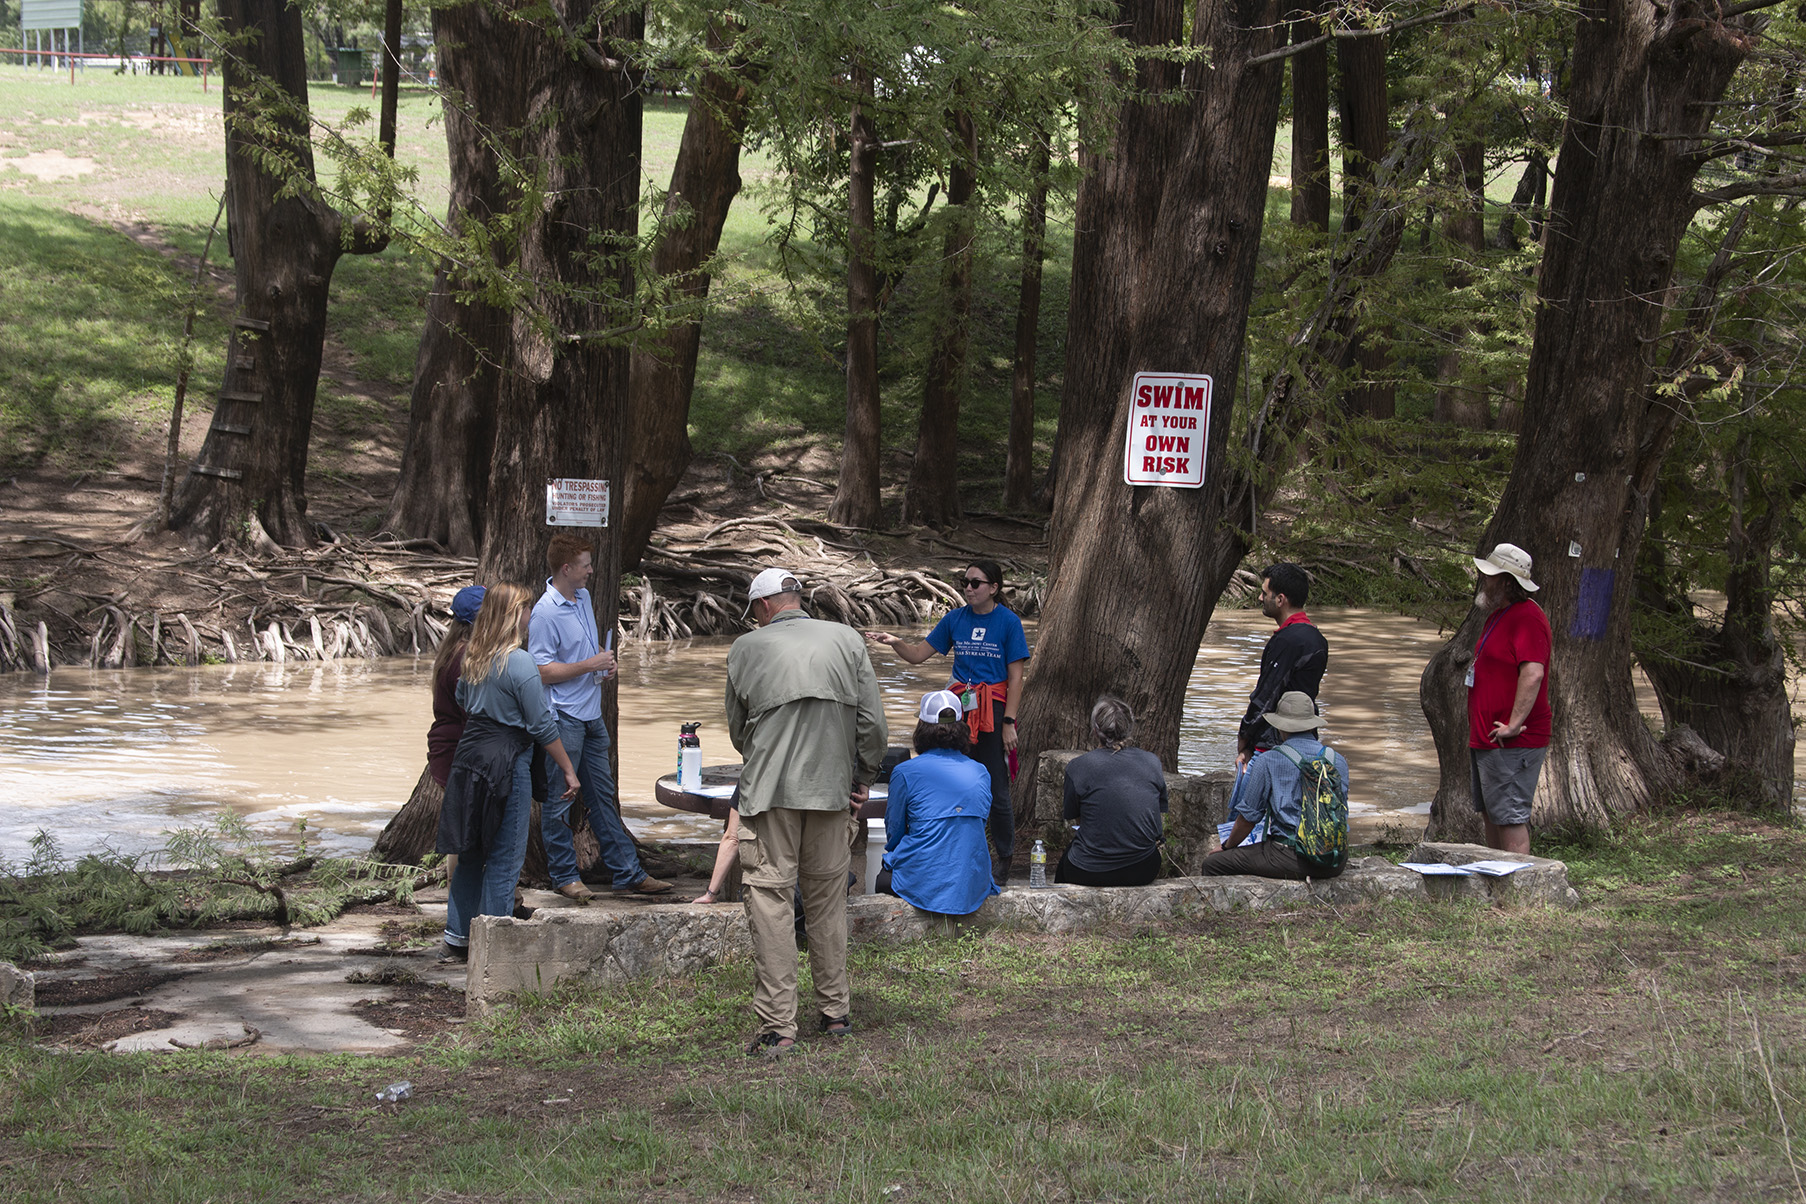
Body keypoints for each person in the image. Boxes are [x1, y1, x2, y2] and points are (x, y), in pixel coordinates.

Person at [727, 568, 887, 1056]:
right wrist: (861, 778)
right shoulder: (847, 640)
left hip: (770, 794)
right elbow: (872, 724)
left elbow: (738, 733)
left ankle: (780, 1026)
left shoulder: (744, 649)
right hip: (832, 793)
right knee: (826, 901)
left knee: (772, 902)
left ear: (764, 606)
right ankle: (835, 1014)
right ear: (795, 599)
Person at [436, 584, 582, 962]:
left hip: (469, 758)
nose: (529, 618)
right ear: (512, 616)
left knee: (470, 848)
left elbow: (465, 702)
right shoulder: (519, 662)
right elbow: (541, 725)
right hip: (507, 759)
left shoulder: (472, 659)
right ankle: (494, 940)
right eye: (525, 610)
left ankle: (457, 936)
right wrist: (568, 769)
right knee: (505, 853)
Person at [863, 560, 1028, 881]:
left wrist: (1009, 721)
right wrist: (895, 642)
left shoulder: (1008, 623)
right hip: (958, 711)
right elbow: (917, 655)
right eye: (964, 581)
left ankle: (1005, 858)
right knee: (951, 779)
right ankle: (954, 849)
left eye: (976, 583)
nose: (968, 587)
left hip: (993, 712)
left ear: (994, 588)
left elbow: (1016, 679)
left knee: (996, 786)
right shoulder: (954, 619)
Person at [528, 533, 668, 900]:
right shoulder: (544, 612)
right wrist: (588, 664)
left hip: (591, 717)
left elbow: (585, 656)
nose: (592, 570)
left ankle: (628, 873)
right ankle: (563, 876)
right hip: (563, 718)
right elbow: (540, 670)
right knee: (560, 801)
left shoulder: (584, 597)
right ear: (566, 569)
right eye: (586, 565)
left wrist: (602, 667)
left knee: (603, 798)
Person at [1200, 691, 1350, 880]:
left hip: (1292, 856)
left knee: (1213, 864)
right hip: (1336, 861)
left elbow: (1248, 818)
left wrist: (1226, 847)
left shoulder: (1270, 760)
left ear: (1280, 726)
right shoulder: (1337, 760)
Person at [876, 691, 1000, 915]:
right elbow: (977, 828)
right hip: (972, 883)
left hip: (922, 882)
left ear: (921, 728)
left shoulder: (904, 772)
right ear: (962, 729)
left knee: (883, 878)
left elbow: (894, 833)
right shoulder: (981, 772)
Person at [1467, 542, 1550, 855]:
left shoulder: (1527, 618)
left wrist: (1514, 724)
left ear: (1505, 582)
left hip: (1511, 741)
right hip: (1488, 738)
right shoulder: (1499, 615)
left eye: (1489, 577)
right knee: (1492, 812)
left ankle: (1518, 893)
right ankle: (1498, 883)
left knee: (1510, 817)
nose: (1483, 580)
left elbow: (1533, 674)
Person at [1055, 696, 1168, 887]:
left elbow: (1077, 819)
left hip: (1089, 870)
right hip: (1144, 867)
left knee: (1064, 866)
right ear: (1129, 728)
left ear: (1094, 731)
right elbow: (1157, 811)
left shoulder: (1078, 767)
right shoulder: (1151, 762)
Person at [1237, 563, 1328, 768]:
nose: (1260, 598)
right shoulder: (1316, 637)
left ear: (1280, 600)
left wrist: (1244, 736)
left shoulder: (1288, 640)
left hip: (1274, 743)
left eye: (1264, 593)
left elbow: (1266, 695)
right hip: (1305, 736)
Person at [426, 585, 484, 790]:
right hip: (458, 758)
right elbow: (472, 716)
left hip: (449, 753)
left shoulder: (451, 650)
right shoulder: (466, 660)